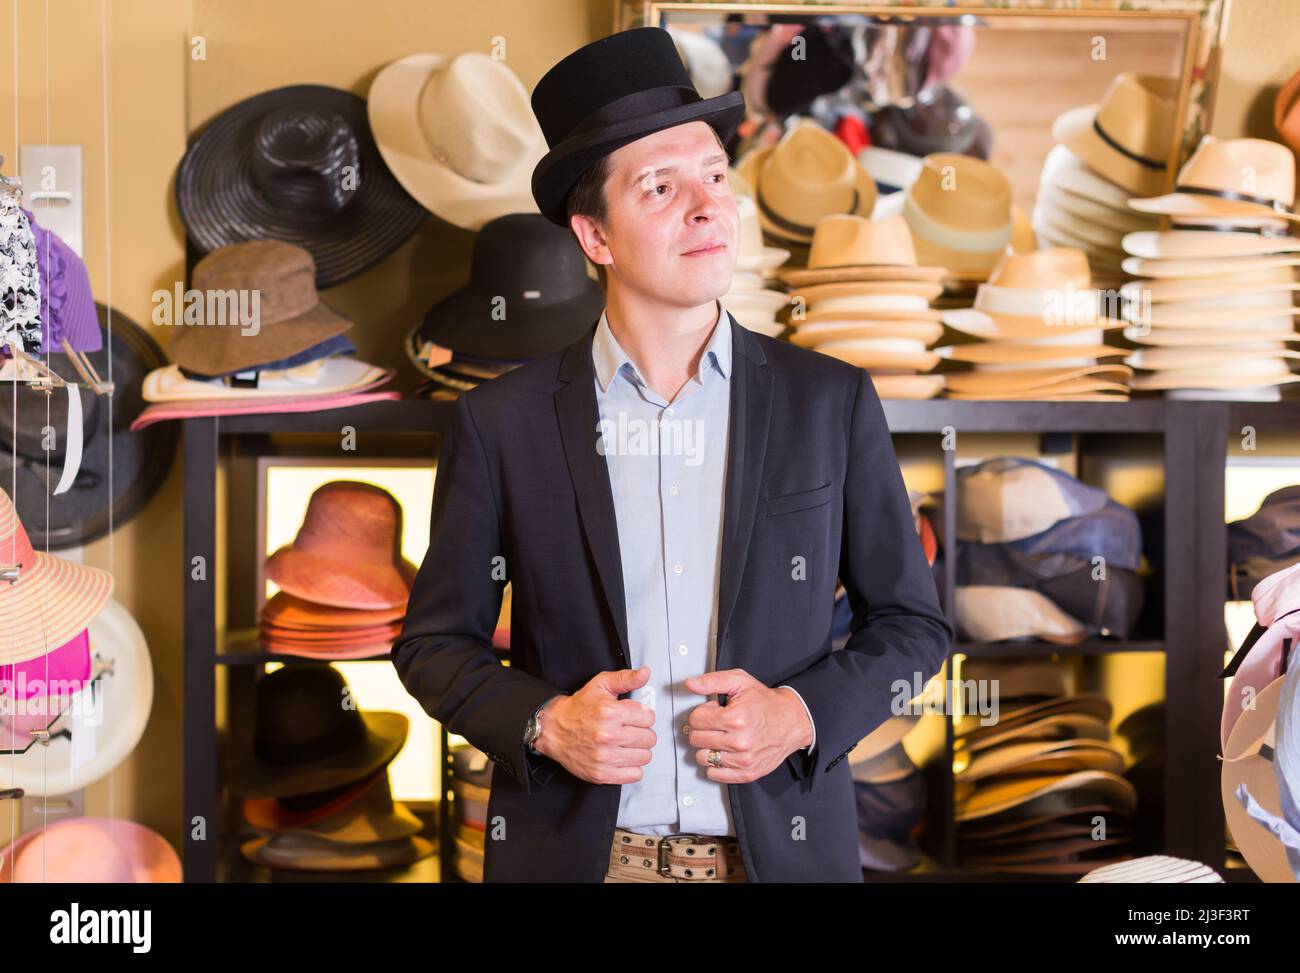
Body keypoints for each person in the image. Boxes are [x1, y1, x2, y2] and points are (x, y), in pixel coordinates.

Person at [391, 26, 953, 883]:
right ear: (596, 237)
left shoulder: (829, 401)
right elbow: (435, 643)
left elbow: (914, 624)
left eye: (715, 176)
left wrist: (800, 714)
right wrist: (545, 722)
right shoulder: (500, 423)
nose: (707, 205)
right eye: (660, 187)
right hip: (580, 863)